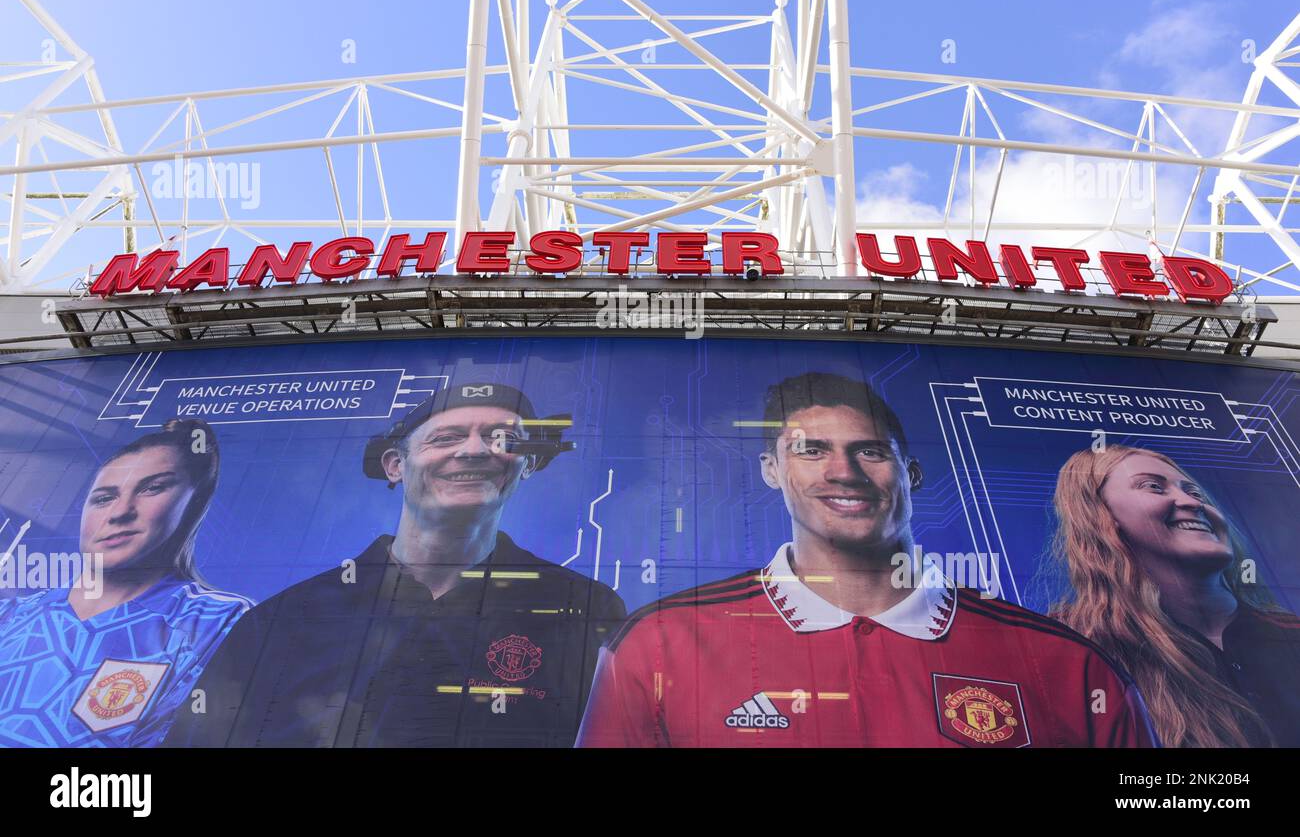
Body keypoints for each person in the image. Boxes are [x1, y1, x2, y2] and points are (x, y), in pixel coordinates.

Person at [577, 371, 1157, 747]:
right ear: (772, 471)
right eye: (811, 450)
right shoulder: (660, 644)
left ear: (912, 473)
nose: (843, 472)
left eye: (871, 452)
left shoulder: (1064, 661)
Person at [164, 382, 625, 748]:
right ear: (394, 465)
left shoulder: (583, 607)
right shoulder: (285, 618)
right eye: (445, 437)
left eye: (501, 438)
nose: (475, 450)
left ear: (525, 464)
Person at [0, 419, 251, 747]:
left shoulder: (218, 622)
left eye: (152, 488)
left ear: (194, 500)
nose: (119, 512)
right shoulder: (10, 617)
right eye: (103, 498)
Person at [1050, 444, 1300, 747]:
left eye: (1195, 492)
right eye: (1153, 487)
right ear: (1101, 517)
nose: (1191, 502)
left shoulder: (1291, 634)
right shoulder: (1073, 649)